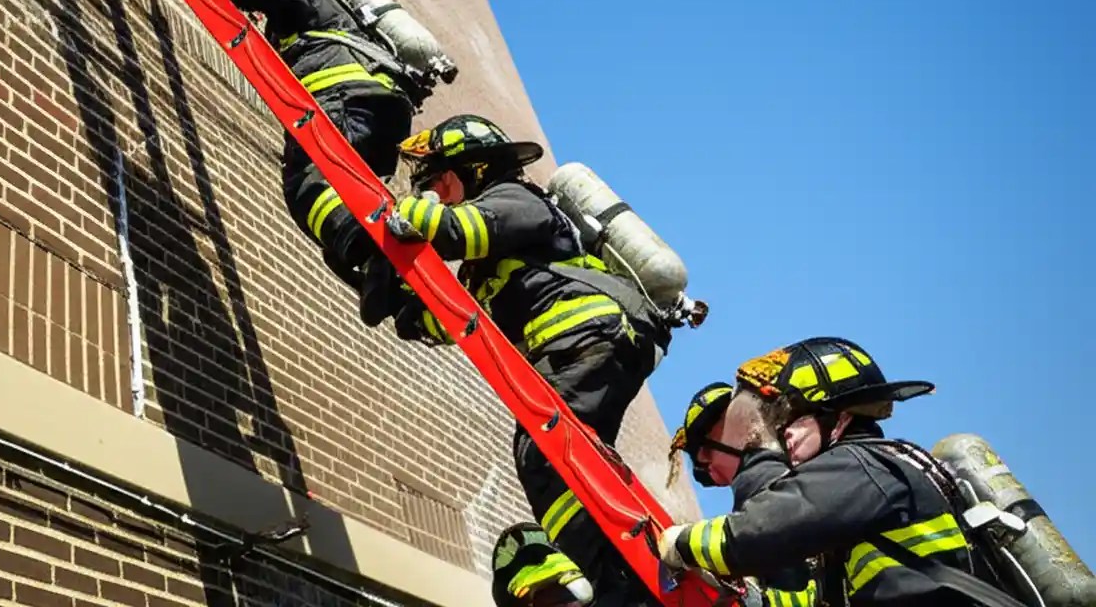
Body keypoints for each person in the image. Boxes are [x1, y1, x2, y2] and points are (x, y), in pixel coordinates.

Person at [386, 114, 677, 605]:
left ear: (474, 169)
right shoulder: (494, 259)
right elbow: (453, 316)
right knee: (573, 462)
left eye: (441, 180)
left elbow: (455, 229)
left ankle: (611, 587)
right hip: (587, 346)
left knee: (547, 455)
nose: (440, 191)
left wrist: (409, 212)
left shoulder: (515, 200)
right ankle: (628, 570)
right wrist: (397, 300)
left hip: (585, 338)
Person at [658, 337, 1027, 607]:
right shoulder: (859, 497)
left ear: (837, 418)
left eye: (790, 421)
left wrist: (677, 543)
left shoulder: (862, 465)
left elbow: (758, 531)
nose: (783, 437)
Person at [182, 0, 432, 325]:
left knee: (308, 188)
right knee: (358, 204)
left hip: (345, 101)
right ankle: (393, 283)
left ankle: (370, 254)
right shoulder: (348, 19)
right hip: (386, 111)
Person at [667, 383, 820, 607]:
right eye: (725, 422)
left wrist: (682, 543)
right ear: (705, 460)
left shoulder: (765, 476)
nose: (740, 425)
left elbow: (753, 534)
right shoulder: (781, 477)